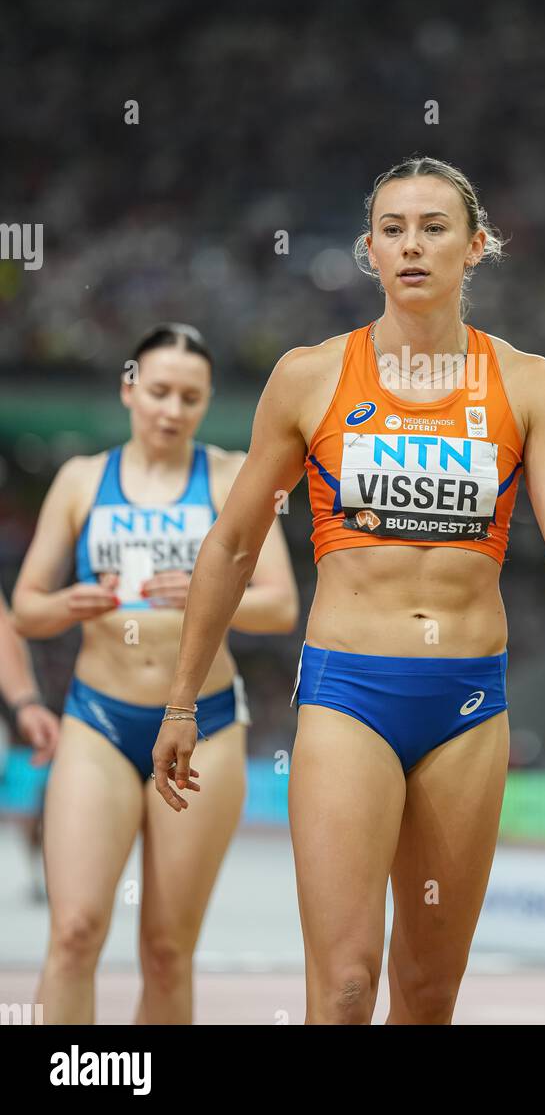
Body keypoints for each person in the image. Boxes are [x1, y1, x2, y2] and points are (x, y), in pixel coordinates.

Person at [153, 155, 545, 1025]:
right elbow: (231, 544)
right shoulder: (311, 376)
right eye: (393, 230)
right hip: (348, 695)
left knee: (431, 993)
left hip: (470, 702)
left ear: (476, 246)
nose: (413, 246)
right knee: (346, 987)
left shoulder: (527, 383)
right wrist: (182, 702)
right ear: (369, 249)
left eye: (435, 228)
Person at [12, 322, 298, 1024]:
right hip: (99, 721)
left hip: (204, 725)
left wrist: (209, 594)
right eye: (160, 392)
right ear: (128, 390)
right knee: (74, 932)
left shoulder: (231, 475)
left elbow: (281, 606)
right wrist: (65, 603)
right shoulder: (83, 480)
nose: (173, 410)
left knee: (167, 949)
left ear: (206, 404)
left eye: (191, 398)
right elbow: (24, 607)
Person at [0, 589, 57, 899]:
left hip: (63, 699)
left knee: (55, 801)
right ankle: (38, 870)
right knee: (27, 800)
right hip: (21, 715)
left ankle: (52, 869)